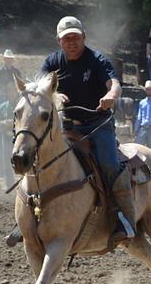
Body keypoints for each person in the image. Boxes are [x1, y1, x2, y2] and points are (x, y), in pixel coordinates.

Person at [39, 15, 136, 241]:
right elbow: (39, 86)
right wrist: (53, 94)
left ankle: (123, 217)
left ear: (83, 37)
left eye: (75, 37)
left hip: (96, 124)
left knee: (110, 164)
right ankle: (30, 217)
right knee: (40, 158)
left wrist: (111, 95)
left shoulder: (96, 60)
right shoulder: (52, 63)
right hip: (65, 125)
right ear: (59, 41)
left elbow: (114, 83)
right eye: (66, 39)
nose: (71, 42)